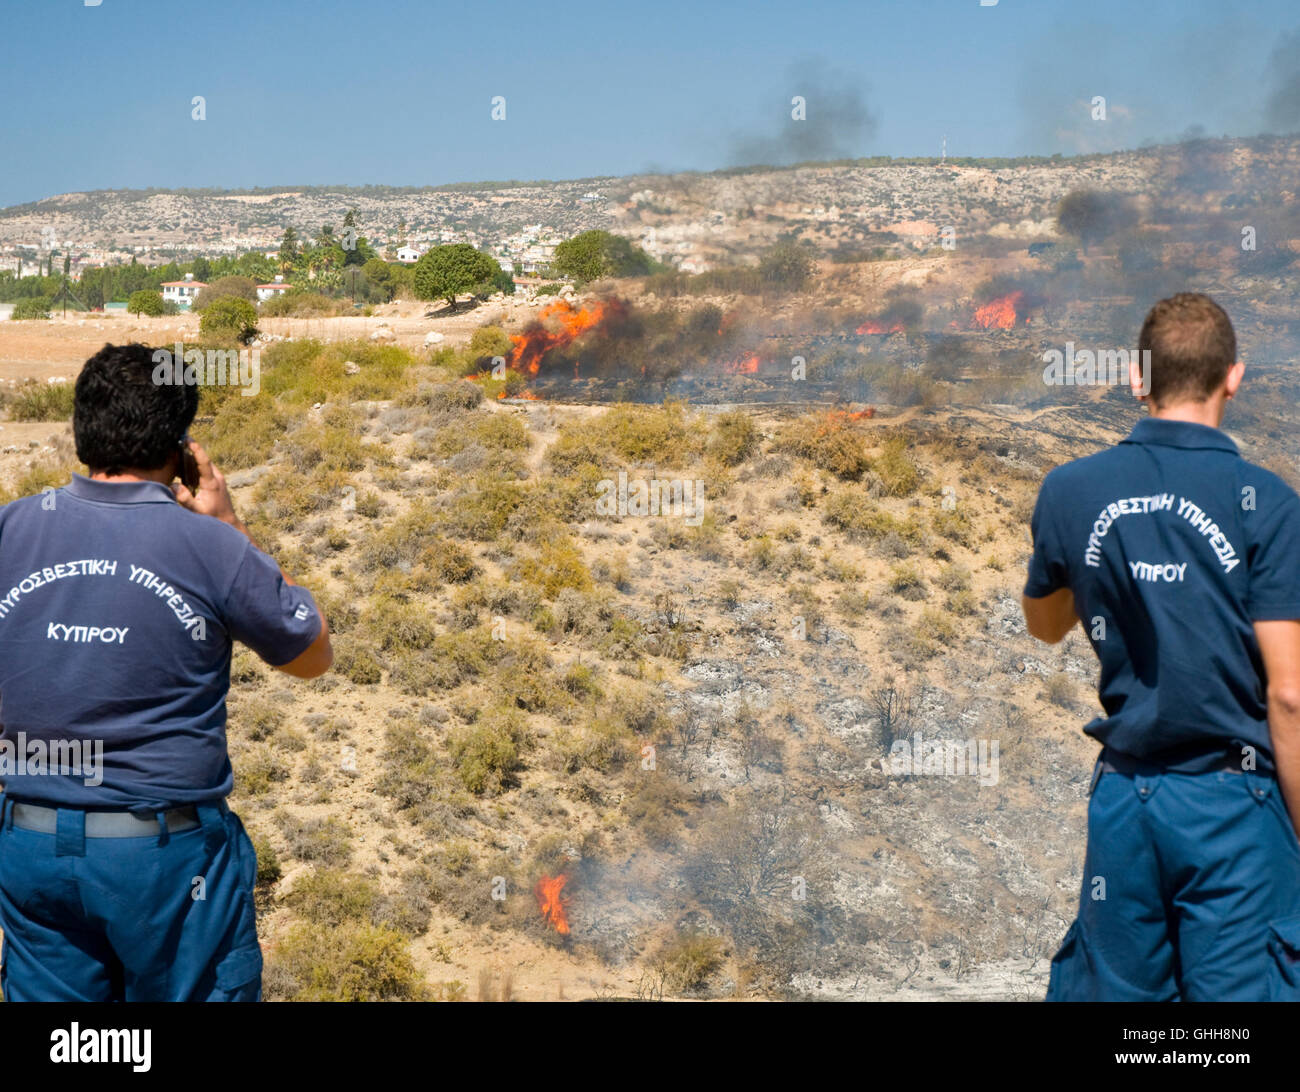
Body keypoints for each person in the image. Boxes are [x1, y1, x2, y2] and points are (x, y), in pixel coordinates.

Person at [0, 342, 332, 1001]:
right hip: (167, 862)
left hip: (29, 846)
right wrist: (229, 522)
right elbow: (312, 655)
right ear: (180, 445)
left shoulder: (11, 529)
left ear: (81, 431)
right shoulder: (211, 547)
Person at [1022, 293, 1300, 1001]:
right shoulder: (1267, 504)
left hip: (1125, 803)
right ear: (1233, 378)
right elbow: (1290, 695)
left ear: (1137, 378)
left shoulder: (1069, 490)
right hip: (1232, 807)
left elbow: (1046, 624)